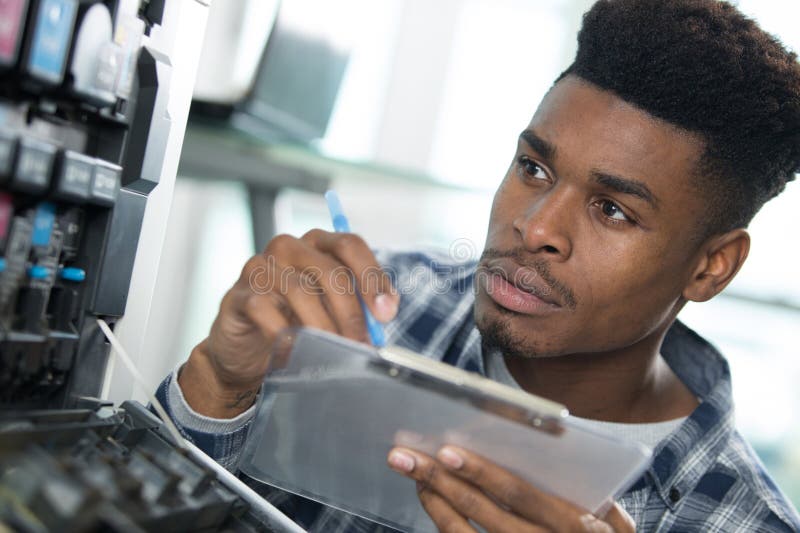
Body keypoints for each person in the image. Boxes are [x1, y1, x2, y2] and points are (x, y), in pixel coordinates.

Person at [156, 0, 800, 531]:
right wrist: (216, 387)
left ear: (712, 267)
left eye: (612, 210)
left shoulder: (742, 519)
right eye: (534, 169)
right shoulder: (373, 307)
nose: (537, 226)